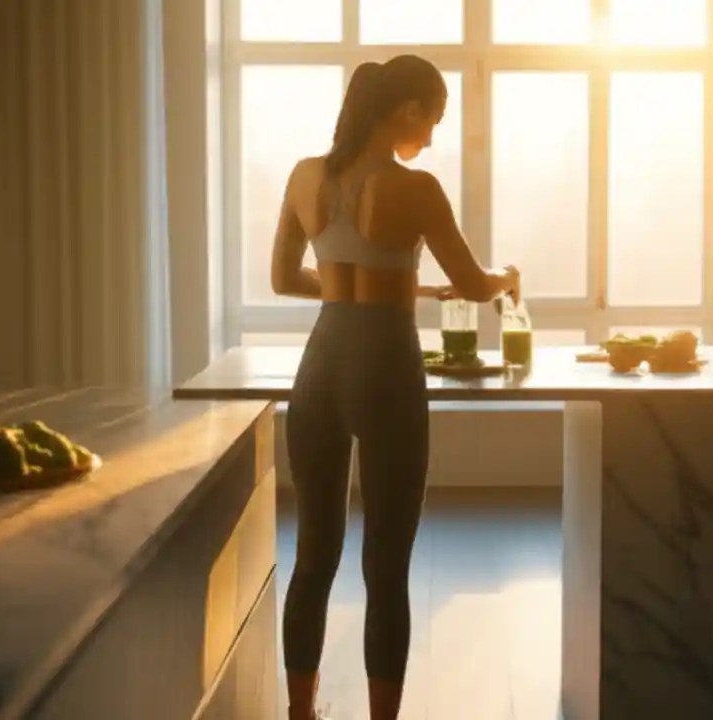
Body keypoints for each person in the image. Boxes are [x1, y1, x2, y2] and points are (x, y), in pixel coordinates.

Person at [269, 54, 521, 720]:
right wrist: (507, 277)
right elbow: (472, 284)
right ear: (404, 109)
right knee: (387, 566)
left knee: (313, 555)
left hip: (319, 367)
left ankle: (301, 714)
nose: (433, 135)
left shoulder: (304, 176)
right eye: (432, 118)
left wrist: (387, 281)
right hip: (386, 369)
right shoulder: (416, 188)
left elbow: (284, 280)